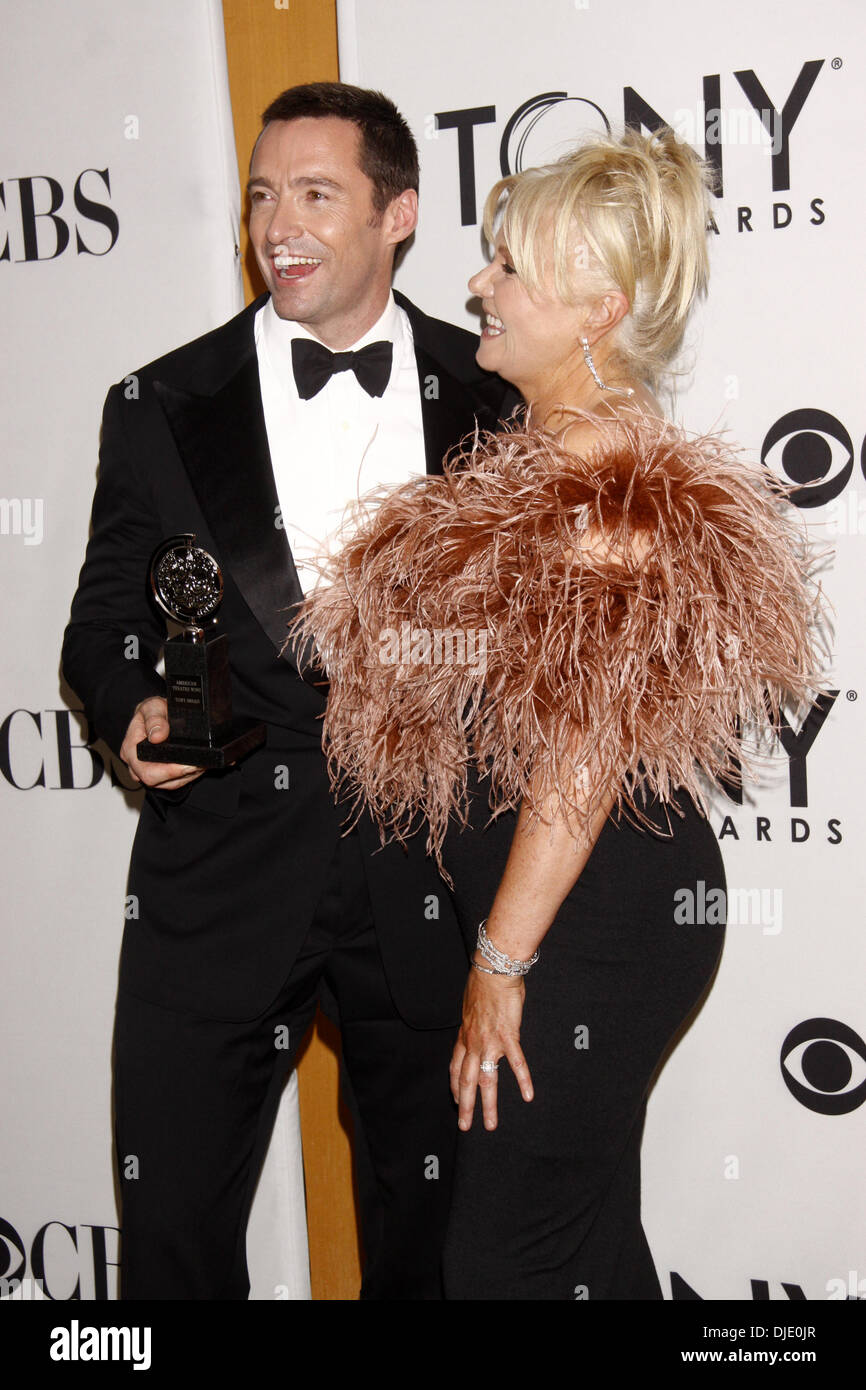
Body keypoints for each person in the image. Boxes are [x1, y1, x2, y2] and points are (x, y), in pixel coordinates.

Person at [291, 127, 824, 1299]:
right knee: (573, 1246)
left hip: (594, 917)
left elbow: (586, 745)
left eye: (509, 268)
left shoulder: (605, 468)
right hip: (558, 905)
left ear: (597, 307)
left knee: (502, 1256)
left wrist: (499, 956)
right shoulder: (541, 451)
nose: (477, 282)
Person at [61, 81, 515, 1300]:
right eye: (263, 196)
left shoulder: (492, 396)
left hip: (425, 876)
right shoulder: (160, 402)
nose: (279, 225)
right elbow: (104, 625)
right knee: (174, 1245)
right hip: (218, 879)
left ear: (399, 212)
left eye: (316, 193)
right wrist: (127, 712)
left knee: (431, 1246)